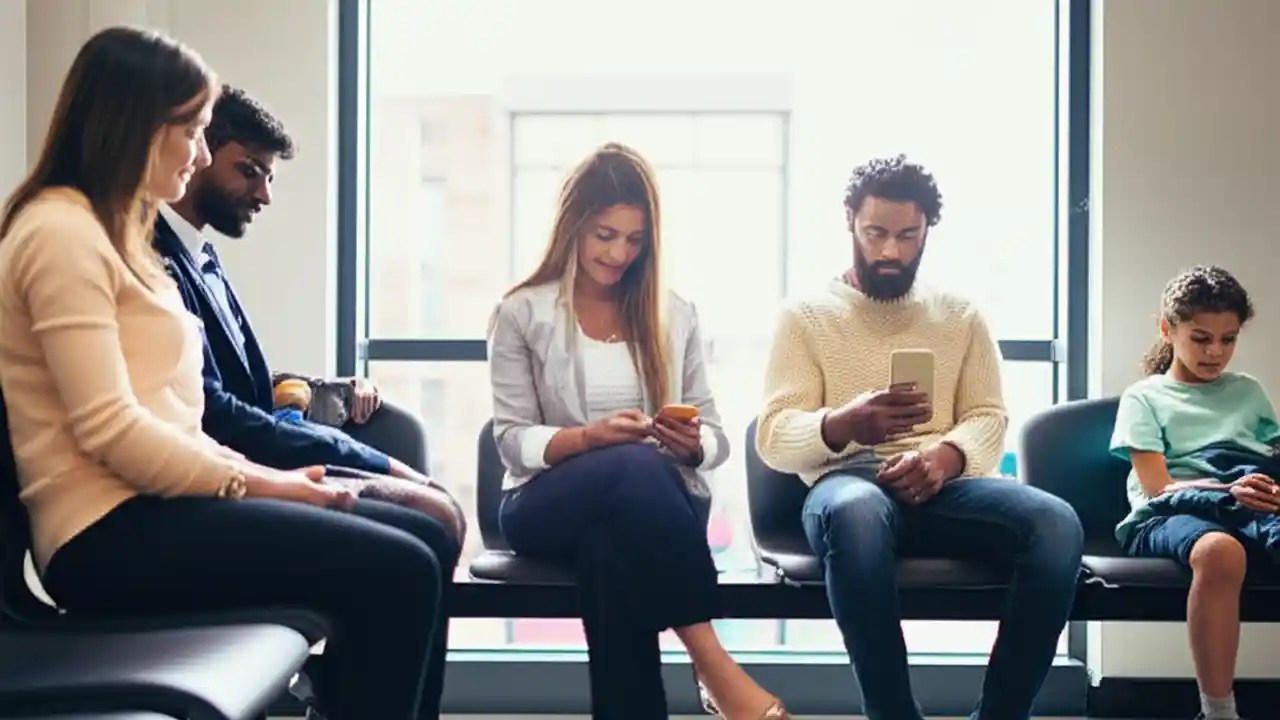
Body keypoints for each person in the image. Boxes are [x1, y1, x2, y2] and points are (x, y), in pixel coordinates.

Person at [0, 26, 453, 720]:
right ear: (140, 126)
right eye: (195, 132)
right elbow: (112, 430)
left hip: (157, 507)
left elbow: (174, 417)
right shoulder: (60, 233)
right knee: (401, 568)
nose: (202, 154)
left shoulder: (119, 237)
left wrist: (279, 486)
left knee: (419, 542)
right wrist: (270, 485)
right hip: (105, 534)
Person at [755, 154, 1083, 720]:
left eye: (908, 235)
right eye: (875, 233)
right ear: (850, 221)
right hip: (846, 484)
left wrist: (947, 456)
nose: (890, 251)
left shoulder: (959, 315)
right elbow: (774, 434)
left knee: (1057, 524)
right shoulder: (806, 315)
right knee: (857, 513)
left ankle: (1003, 715)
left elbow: (987, 416)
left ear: (928, 227)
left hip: (944, 486)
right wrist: (842, 424)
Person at [487, 142, 788, 720]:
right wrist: (588, 438)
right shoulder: (522, 313)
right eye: (605, 235)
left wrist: (694, 445)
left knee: (611, 551)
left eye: (634, 239)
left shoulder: (674, 313)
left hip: (653, 511)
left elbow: (718, 437)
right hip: (541, 505)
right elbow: (511, 438)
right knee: (634, 465)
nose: (620, 253)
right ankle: (714, 665)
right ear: (573, 227)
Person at [152, 84, 465, 542]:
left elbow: (244, 386)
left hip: (256, 453)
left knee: (439, 512)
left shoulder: (202, 256)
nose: (264, 195)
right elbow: (217, 413)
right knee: (433, 517)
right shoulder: (155, 259)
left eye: (270, 179)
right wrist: (379, 463)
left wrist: (327, 391)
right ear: (201, 152)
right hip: (226, 477)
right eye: (249, 172)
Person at [1111, 266, 1275, 720]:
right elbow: (1157, 486)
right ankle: (1219, 711)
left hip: (1245, 503)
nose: (1215, 352)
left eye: (1228, 339)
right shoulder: (1144, 398)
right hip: (1166, 514)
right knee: (1221, 553)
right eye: (1201, 338)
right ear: (1168, 329)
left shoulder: (1249, 393)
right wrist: (1229, 489)